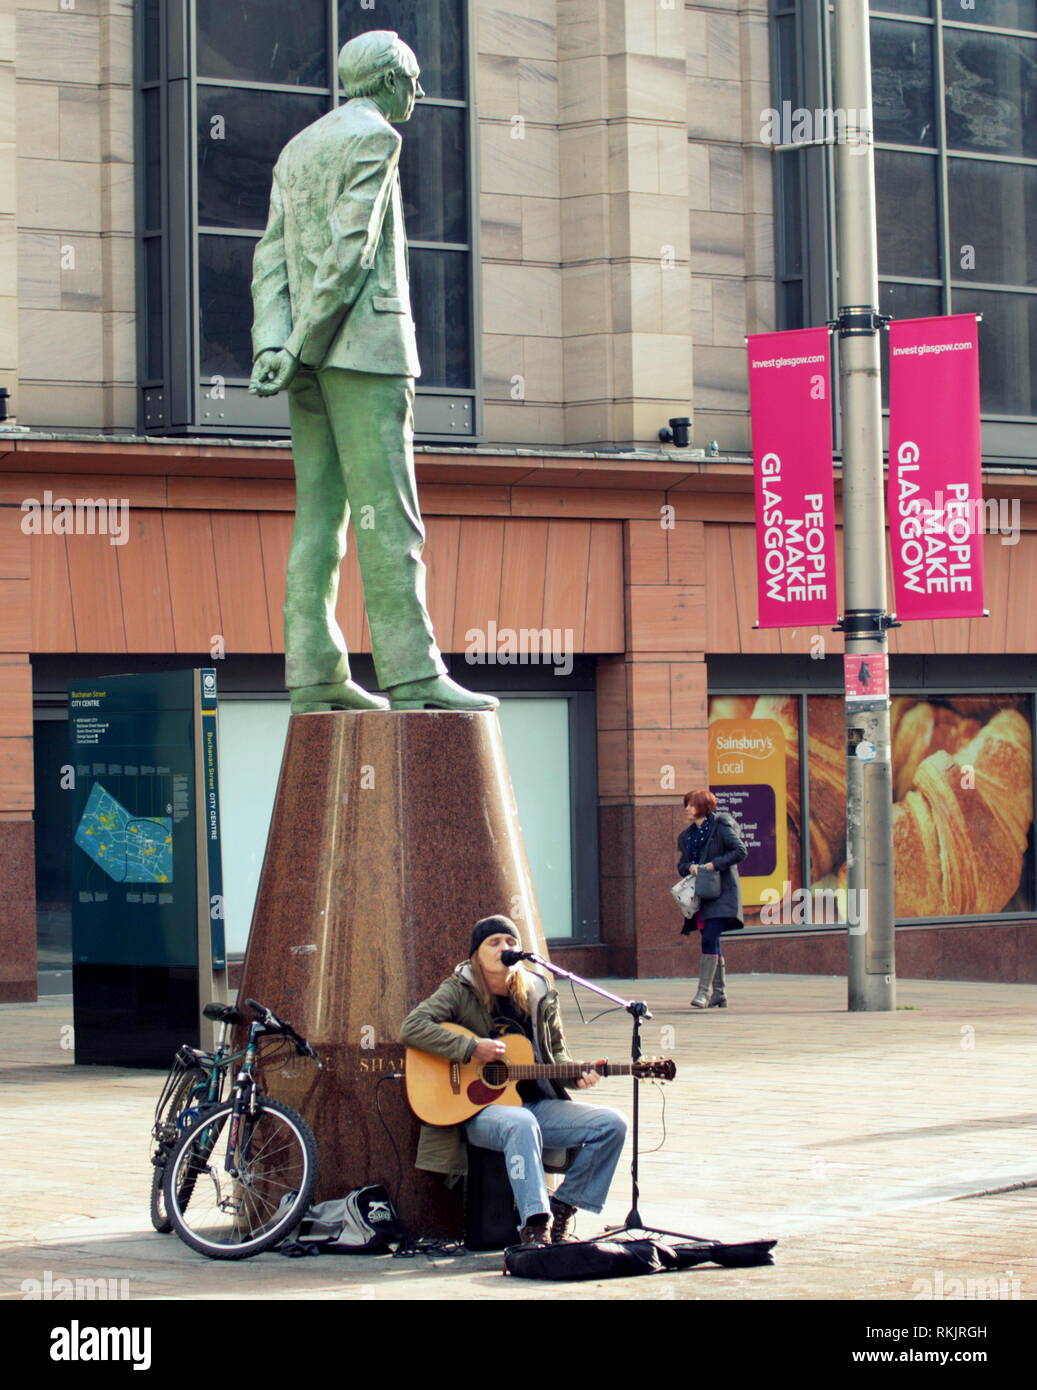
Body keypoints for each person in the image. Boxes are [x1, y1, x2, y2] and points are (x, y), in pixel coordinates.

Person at [249, 30, 495, 715]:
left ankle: (315, 675)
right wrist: (300, 343)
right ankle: (414, 677)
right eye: (412, 80)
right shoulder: (377, 138)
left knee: (319, 518)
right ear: (387, 80)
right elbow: (351, 253)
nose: (416, 93)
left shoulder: (298, 148)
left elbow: (269, 257)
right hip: (360, 354)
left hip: (304, 362)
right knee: (389, 516)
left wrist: (277, 345)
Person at [399, 915, 629, 1246]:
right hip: (479, 1111)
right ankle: (535, 1224)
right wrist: (471, 1047)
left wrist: (577, 1075)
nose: (504, 948)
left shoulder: (538, 991)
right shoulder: (459, 988)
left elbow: (557, 1056)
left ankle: (562, 1207)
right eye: (494, 943)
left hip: (536, 1104)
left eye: (511, 943)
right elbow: (412, 1027)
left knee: (612, 1124)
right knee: (520, 1122)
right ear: (476, 954)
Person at [677, 789, 748, 1009]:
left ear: (703, 807)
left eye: (691, 804)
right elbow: (681, 865)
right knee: (711, 939)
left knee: (709, 937)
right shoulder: (687, 836)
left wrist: (714, 864)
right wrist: (689, 867)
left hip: (722, 892)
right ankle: (720, 993)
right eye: (686, 804)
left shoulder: (720, 825)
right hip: (701, 894)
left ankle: (703, 993)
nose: (687, 809)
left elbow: (740, 851)